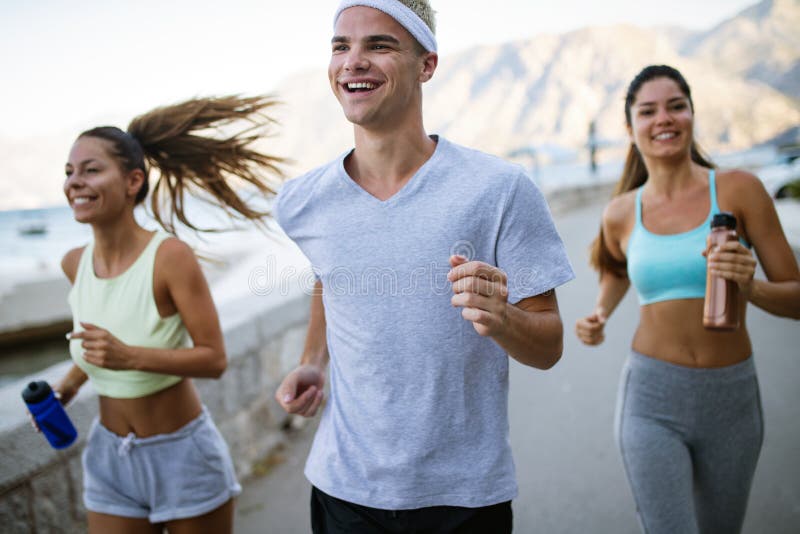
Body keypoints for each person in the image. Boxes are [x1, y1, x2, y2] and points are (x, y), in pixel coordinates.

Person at [273, 1, 575, 532]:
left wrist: (501, 318)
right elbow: (332, 280)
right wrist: (313, 360)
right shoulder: (303, 202)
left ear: (426, 65)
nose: (353, 61)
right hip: (344, 489)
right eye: (341, 46)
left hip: (463, 497)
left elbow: (549, 346)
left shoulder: (499, 189)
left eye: (379, 45)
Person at [575, 65, 800, 534]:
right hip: (651, 398)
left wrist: (750, 288)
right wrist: (599, 312)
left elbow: (796, 297)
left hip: (731, 399)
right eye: (648, 110)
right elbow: (618, 268)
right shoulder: (620, 212)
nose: (665, 119)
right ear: (630, 127)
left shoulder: (739, 190)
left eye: (676, 105)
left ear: (693, 114)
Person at [51, 95, 282, 534]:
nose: (74, 182)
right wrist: (69, 382)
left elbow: (213, 359)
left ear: (133, 180)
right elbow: (98, 342)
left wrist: (129, 356)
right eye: (69, 172)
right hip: (109, 457)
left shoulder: (169, 257)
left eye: (91, 169)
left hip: (182, 455)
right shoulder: (73, 263)